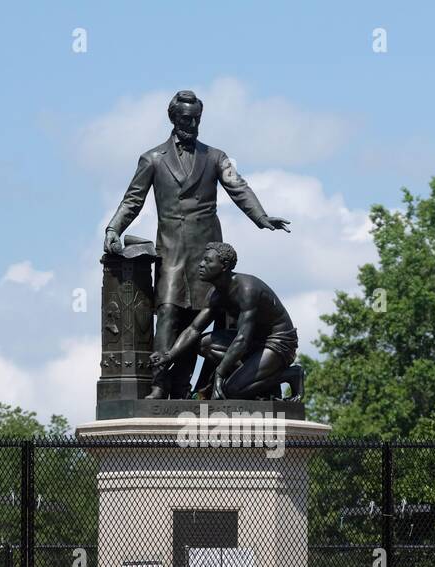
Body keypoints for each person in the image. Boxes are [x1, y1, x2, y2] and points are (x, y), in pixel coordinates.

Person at [104, 90, 290, 398]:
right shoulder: (153, 158)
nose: (193, 125)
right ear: (174, 119)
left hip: (208, 253)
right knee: (168, 313)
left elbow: (238, 187)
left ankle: (190, 387)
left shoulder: (215, 156)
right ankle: (160, 385)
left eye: (197, 119)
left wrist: (261, 217)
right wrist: (114, 228)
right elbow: (133, 199)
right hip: (172, 251)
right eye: (187, 119)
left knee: (201, 318)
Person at [150, 242, 302, 401]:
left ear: (224, 266)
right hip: (253, 343)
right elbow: (194, 329)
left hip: (278, 343)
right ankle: (250, 378)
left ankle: (290, 374)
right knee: (203, 343)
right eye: (202, 260)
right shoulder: (216, 294)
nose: (201, 265)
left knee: (231, 391)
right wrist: (169, 355)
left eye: (208, 261)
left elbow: (242, 340)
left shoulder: (247, 290)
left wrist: (220, 373)